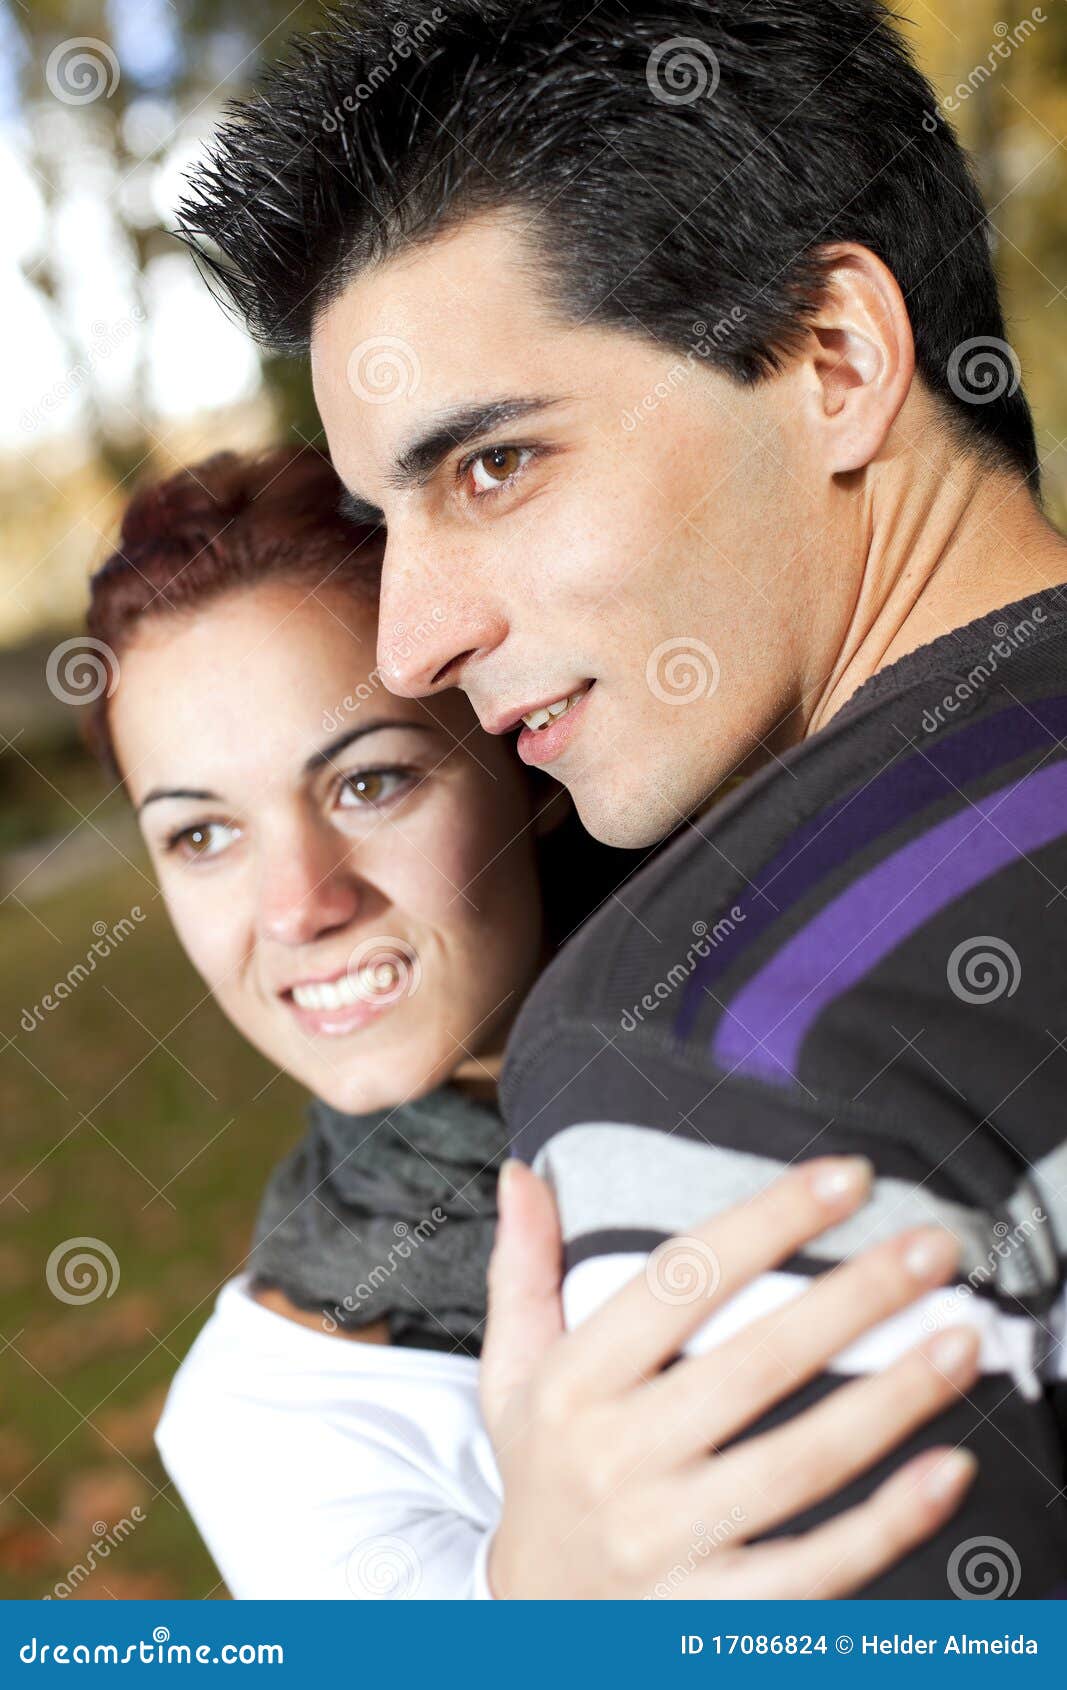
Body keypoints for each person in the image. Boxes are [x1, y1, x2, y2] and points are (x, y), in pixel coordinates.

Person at [174, 0, 1067, 1597]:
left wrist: (561, 1623)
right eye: (388, 517)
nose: (412, 637)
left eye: (492, 466)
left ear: (833, 357)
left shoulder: (715, 1059)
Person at [83, 444, 980, 1599]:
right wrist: (545, 1602)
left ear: (525, 761)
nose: (298, 905)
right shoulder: (269, 1412)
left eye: (370, 781)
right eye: (202, 835)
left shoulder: (853, 960)